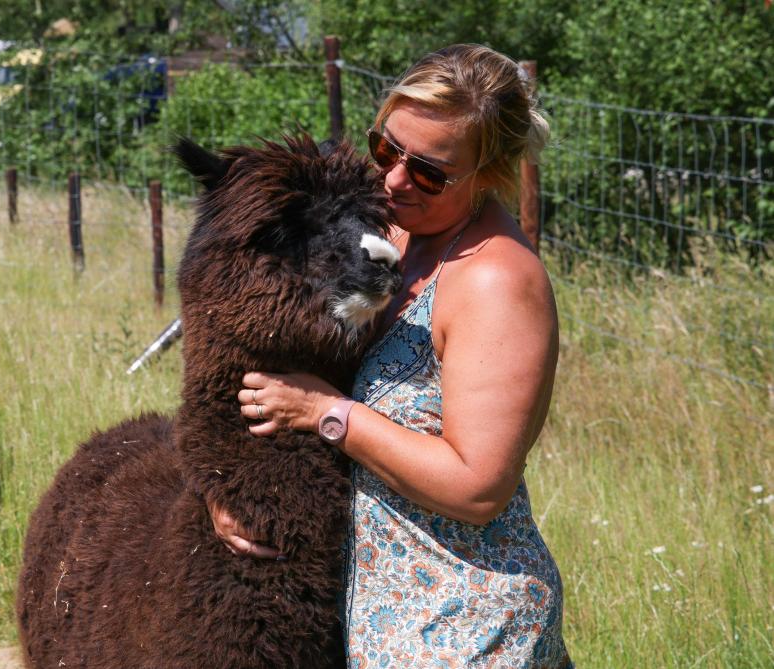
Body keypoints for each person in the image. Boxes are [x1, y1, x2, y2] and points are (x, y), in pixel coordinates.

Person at [210, 44, 572, 667]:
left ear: (490, 175)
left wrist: (327, 412)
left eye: (430, 171)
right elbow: (267, 349)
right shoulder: (394, 233)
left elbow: (478, 487)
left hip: (467, 627)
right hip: (377, 617)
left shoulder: (496, 281)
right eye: (386, 149)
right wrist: (225, 488)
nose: (396, 179)